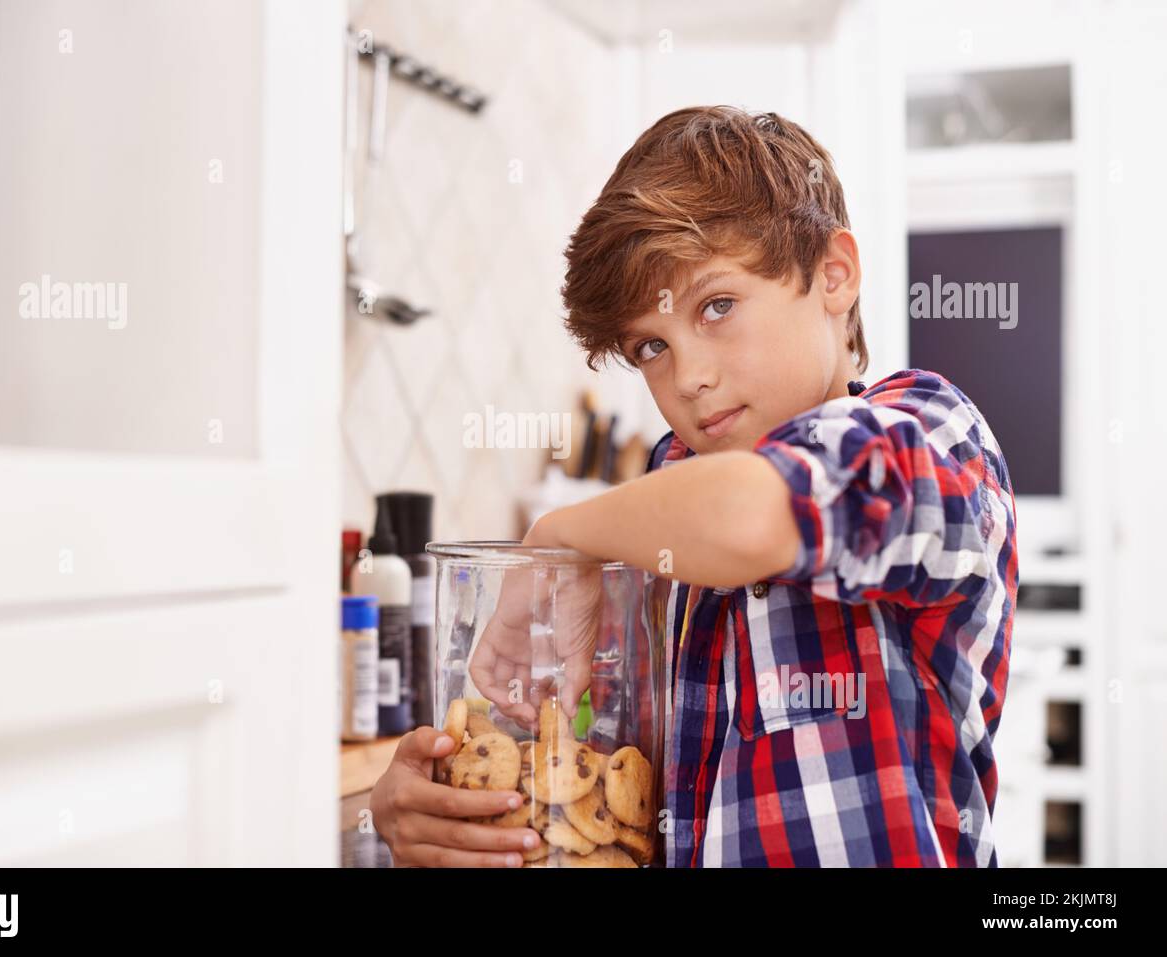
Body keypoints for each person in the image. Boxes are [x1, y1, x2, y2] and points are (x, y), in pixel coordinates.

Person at [370, 105, 1017, 867]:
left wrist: (562, 534)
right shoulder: (666, 488)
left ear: (834, 275)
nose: (688, 378)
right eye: (651, 345)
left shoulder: (930, 435)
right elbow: (600, 773)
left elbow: (752, 512)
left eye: (718, 306)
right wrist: (439, 811)